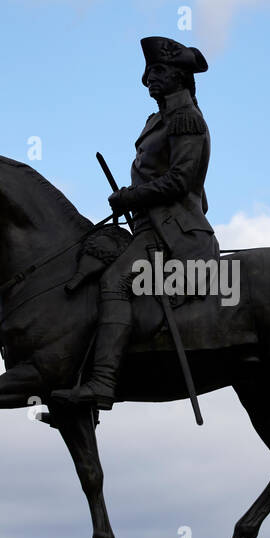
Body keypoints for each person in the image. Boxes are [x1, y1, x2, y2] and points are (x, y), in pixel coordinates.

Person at [53, 36, 219, 410]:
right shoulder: (158, 119)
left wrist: (131, 196)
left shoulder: (185, 118)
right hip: (150, 228)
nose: (148, 79)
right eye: (148, 72)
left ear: (179, 76)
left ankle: (103, 384)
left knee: (116, 282)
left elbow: (181, 180)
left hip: (175, 233)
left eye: (158, 71)